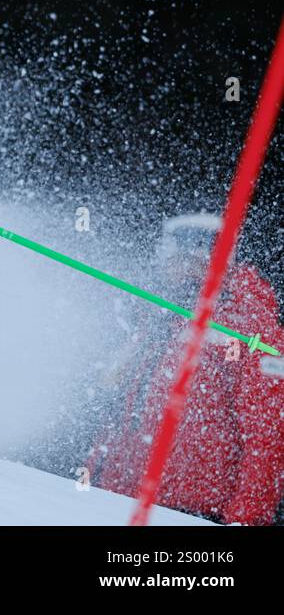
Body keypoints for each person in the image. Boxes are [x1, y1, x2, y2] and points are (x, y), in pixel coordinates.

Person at [84, 213, 284, 524]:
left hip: (192, 513)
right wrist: (94, 479)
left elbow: (267, 436)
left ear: (200, 257)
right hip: (122, 500)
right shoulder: (162, 316)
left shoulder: (249, 325)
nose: (165, 265)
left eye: (173, 255)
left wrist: (246, 520)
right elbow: (125, 414)